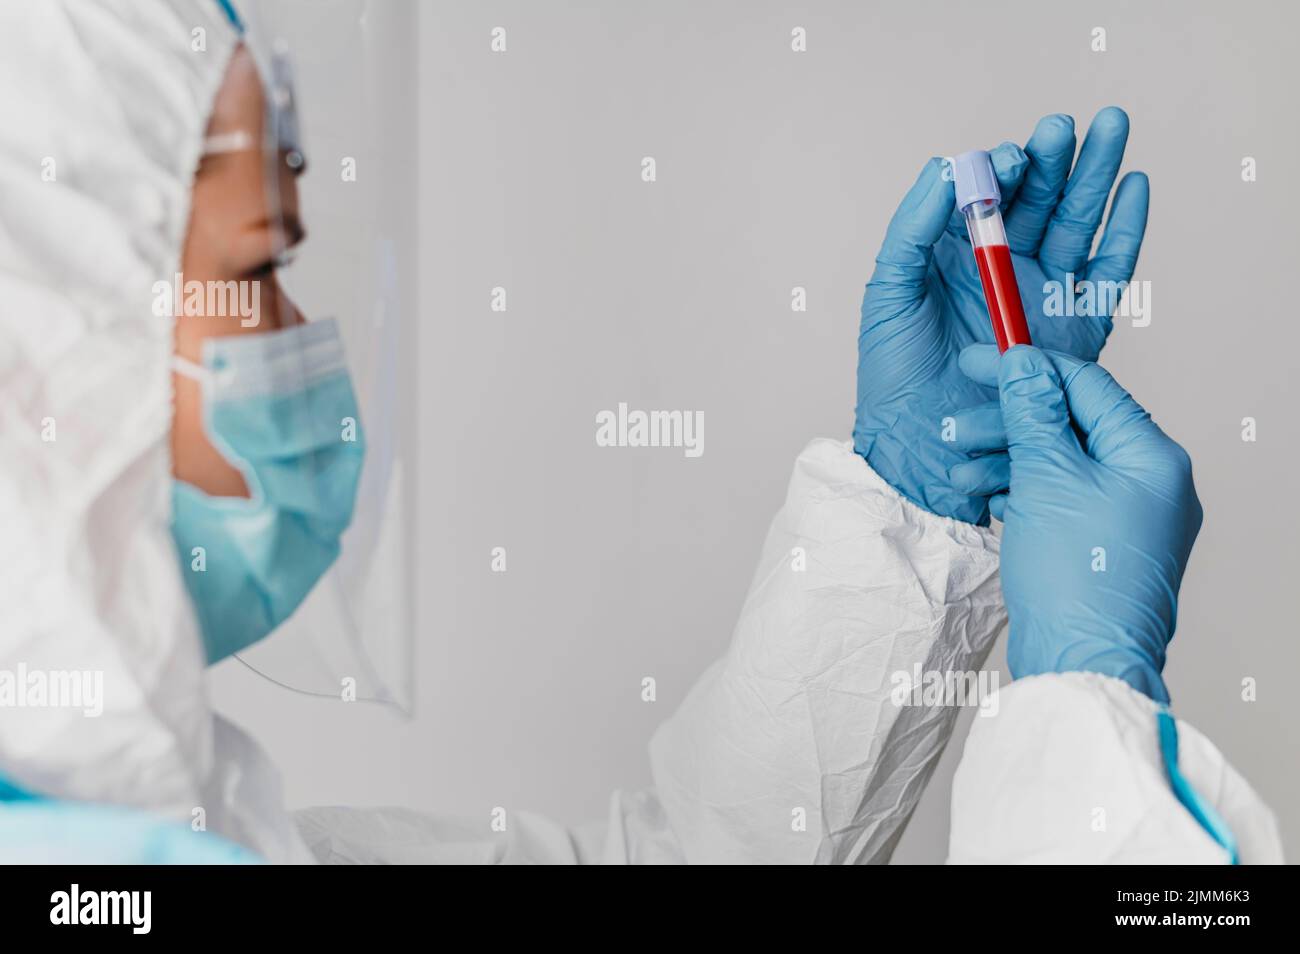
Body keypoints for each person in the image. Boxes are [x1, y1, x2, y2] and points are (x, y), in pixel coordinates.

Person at [0, 0, 1281, 864]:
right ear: (42, 365)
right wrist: (1090, 714)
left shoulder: (173, 829)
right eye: (261, 269)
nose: (301, 347)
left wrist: (914, 500)